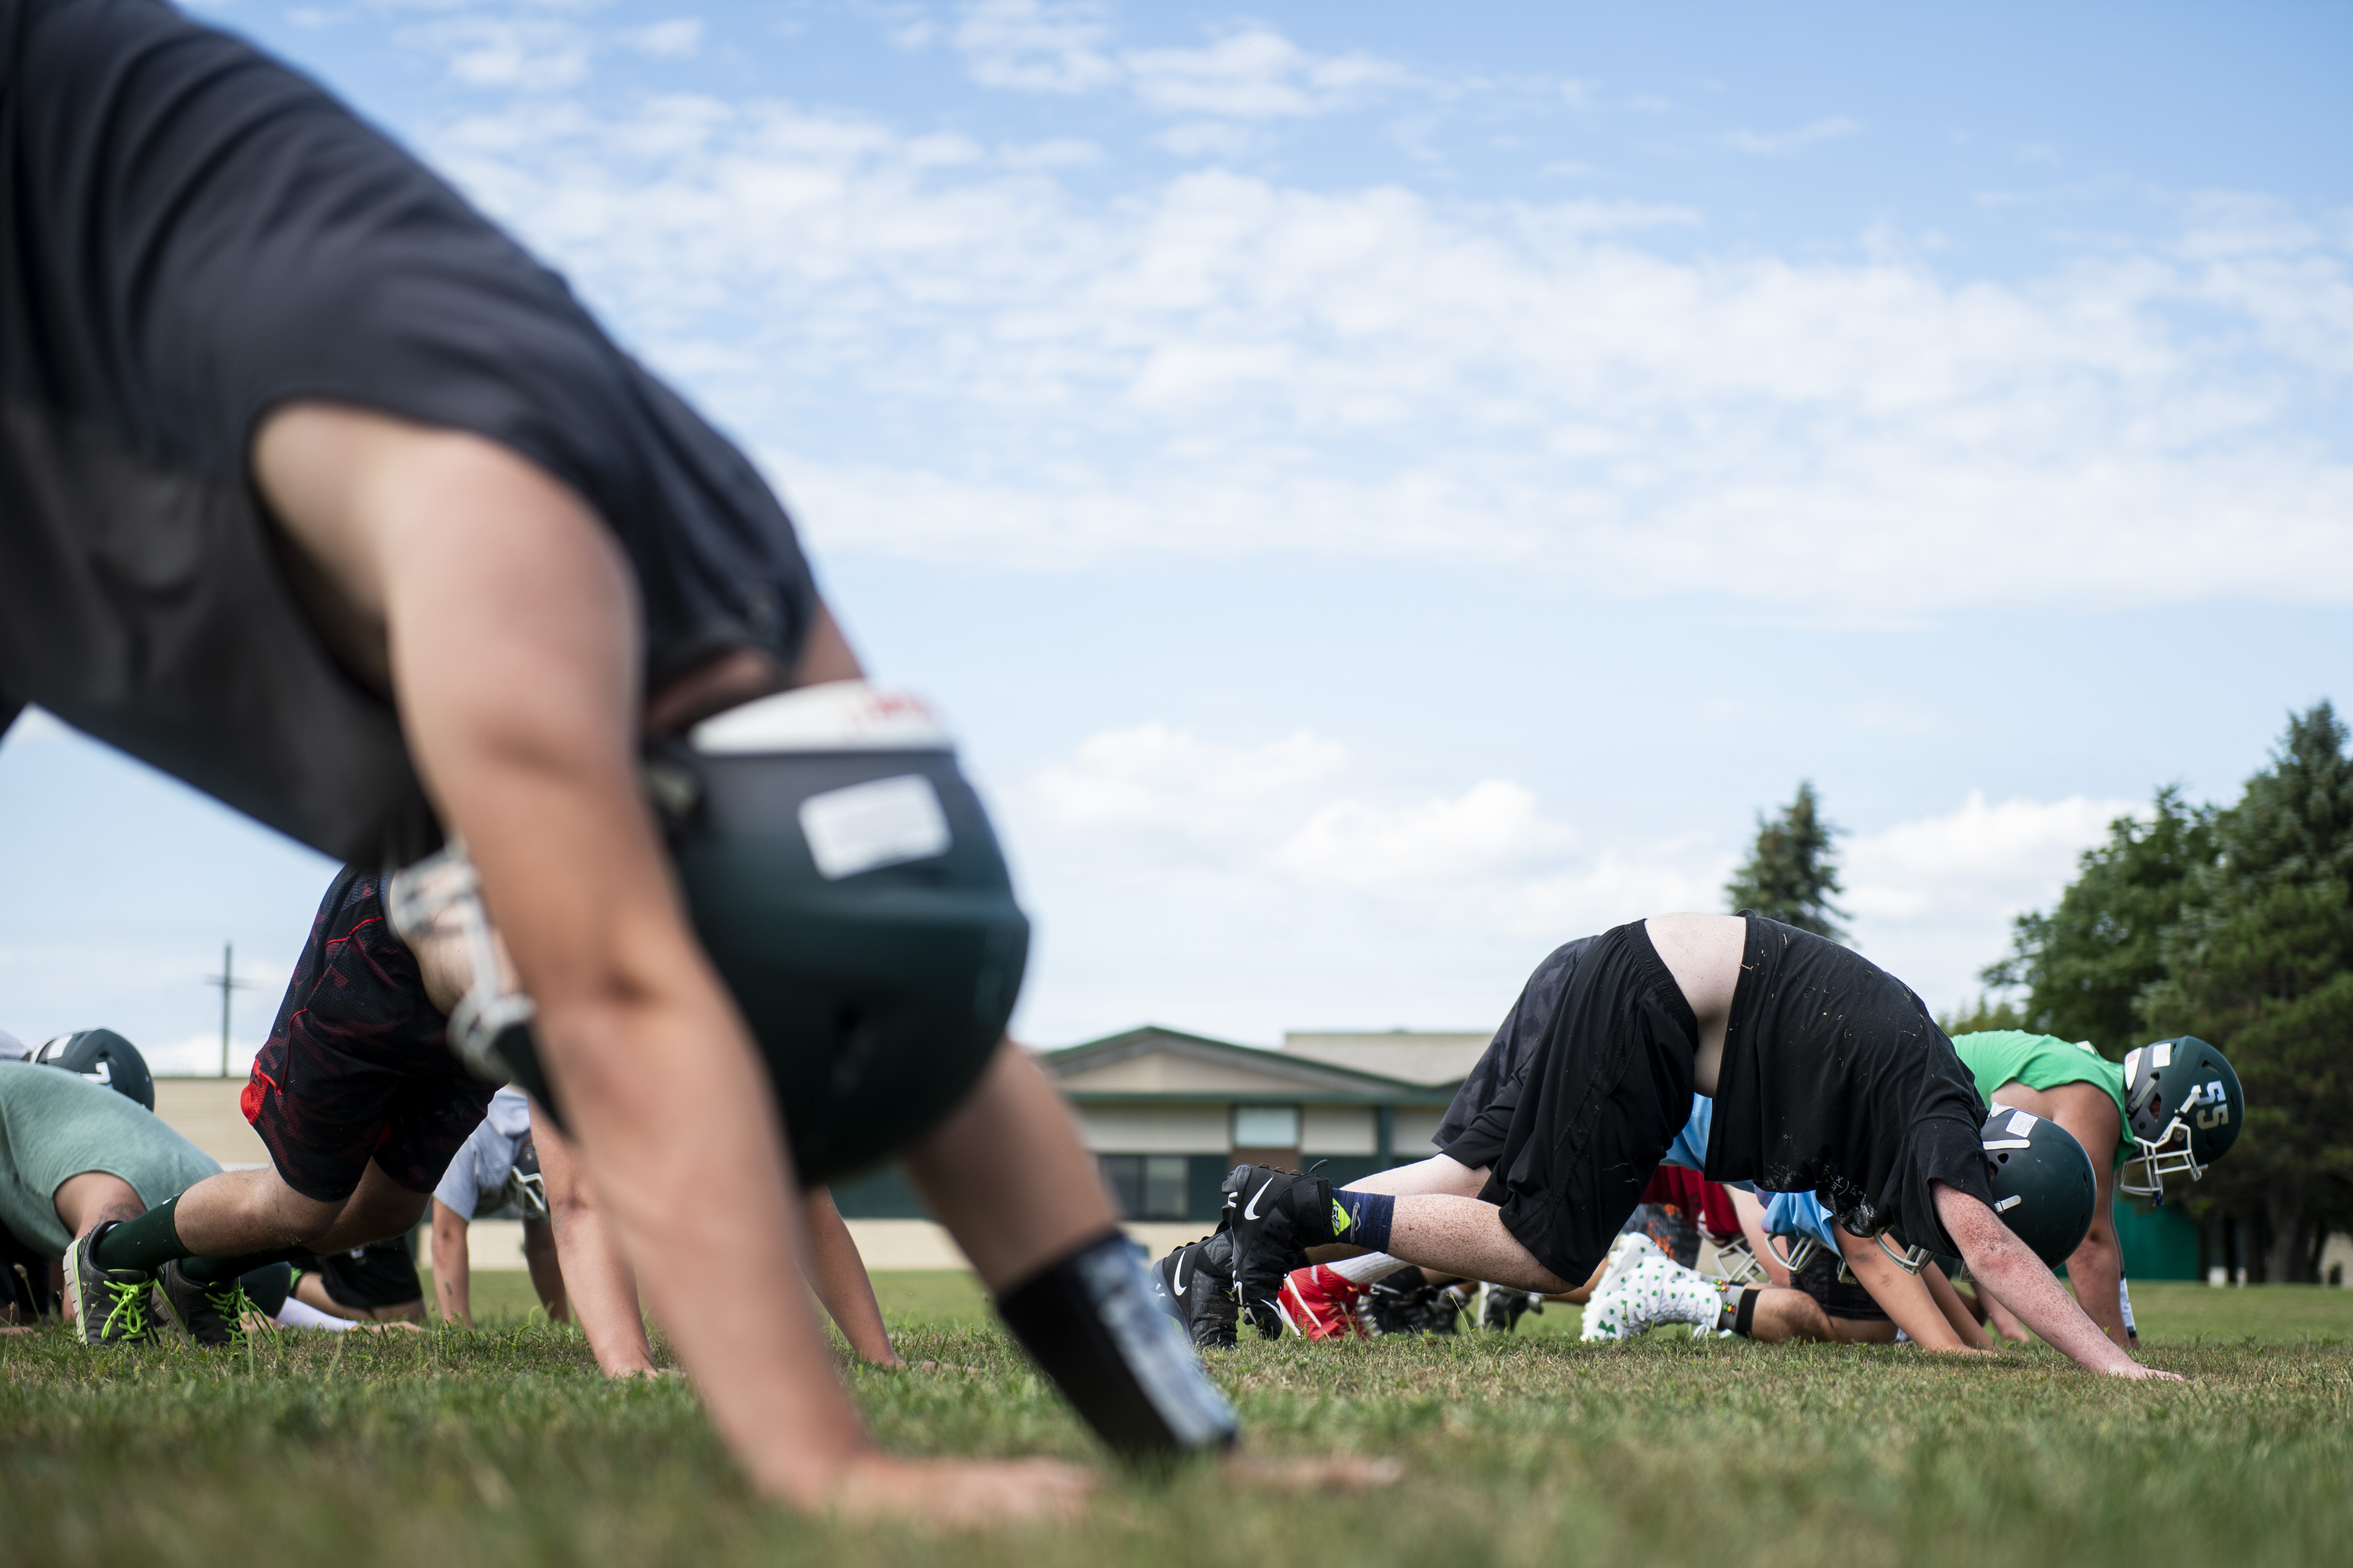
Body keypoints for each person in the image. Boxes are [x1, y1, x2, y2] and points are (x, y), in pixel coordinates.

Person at [5, 0, 1244, 1518]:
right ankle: (122, 1255)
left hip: (210, 293)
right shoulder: (514, 595)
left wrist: (1187, 1451)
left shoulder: (772, 618)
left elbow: (941, 1031)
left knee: (389, 1180)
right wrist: (829, 1465)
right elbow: (611, 1032)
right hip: (71, 284)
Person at [1220, 913, 2175, 1381]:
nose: (1965, 1245)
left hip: (1645, 982)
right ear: (1991, 1177)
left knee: (1481, 1183)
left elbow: (1892, 1251)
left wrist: (1973, 1346)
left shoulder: (1922, 1101)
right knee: (1540, 1244)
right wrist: (2116, 1366)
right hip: (1651, 998)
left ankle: (1227, 1255)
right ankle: (1295, 1213)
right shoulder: (1935, 1117)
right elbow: (1995, 1250)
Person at [1948, 1030, 2241, 1349]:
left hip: (1927, 1109)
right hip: (1909, 1108)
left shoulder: (2099, 1082)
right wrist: (2116, 1353)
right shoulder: (2096, 1099)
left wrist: (2128, 1335)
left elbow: (2106, 1237)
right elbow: (2090, 1242)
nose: (2167, 1149)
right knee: (1883, 1327)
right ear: (2157, 1103)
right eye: (2177, 1139)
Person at [430, 1087, 568, 1328]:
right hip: (382, 1204)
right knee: (403, 1313)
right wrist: (461, 1332)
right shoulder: (468, 1132)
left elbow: (544, 1247)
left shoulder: (541, 1125)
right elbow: (446, 1236)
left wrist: (563, 1326)